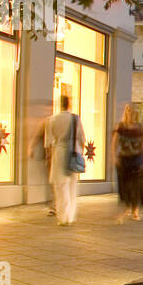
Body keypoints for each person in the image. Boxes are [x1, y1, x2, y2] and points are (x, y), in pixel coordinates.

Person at [44, 94, 86, 227]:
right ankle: (70, 216)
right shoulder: (75, 119)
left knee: (60, 187)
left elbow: (48, 143)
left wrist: (49, 159)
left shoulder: (51, 120)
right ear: (69, 104)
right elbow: (82, 138)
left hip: (59, 153)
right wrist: (80, 153)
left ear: (59, 104)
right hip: (73, 153)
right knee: (72, 186)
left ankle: (62, 217)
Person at [113, 103, 143, 222]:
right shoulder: (121, 126)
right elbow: (115, 142)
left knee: (137, 185)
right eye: (128, 110)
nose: (130, 113)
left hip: (137, 159)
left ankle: (135, 210)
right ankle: (128, 206)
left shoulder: (139, 127)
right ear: (125, 112)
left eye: (132, 111)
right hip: (124, 159)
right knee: (125, 185)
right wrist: (114, 156)